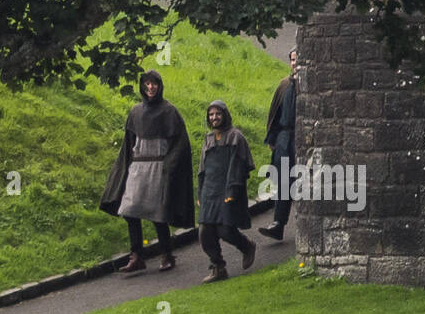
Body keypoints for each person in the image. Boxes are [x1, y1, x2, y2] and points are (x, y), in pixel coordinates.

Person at [100, 69, 196, 274]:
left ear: (160, 86)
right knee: (129, 210)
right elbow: (128, 143)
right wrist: (123, 170)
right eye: (147, 84)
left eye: (154, 84)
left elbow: (180, 144)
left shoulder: (170, 112)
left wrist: (169, 166)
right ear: (142, 86)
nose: (150, 87)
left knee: (157, 213)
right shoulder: (135, 112)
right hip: (137, 167)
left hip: (159, 167)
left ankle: (166, 254)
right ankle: (137, 255)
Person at [197, 100, 257, 283]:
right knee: (205, 231)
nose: (214, 118)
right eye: (211, 115)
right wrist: (200, 192)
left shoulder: (235, 137)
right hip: (209, 190)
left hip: (227, 188)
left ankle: (246, 246)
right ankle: (217, 267)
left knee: (225, 229)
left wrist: (232, 189)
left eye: (218, 114)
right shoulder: (208, 139)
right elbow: (202, 168)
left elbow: (238, 165)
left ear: (225, 115)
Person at [258, 49, 299, 240]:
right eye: (292, 59)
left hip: (301, 137)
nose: (294, 63)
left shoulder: (309, 84)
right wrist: (272, 139)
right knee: (283, 181)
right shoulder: (284, 84)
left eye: (297, 59)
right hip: (284, 137)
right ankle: (278, 224)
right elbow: (274, 112)